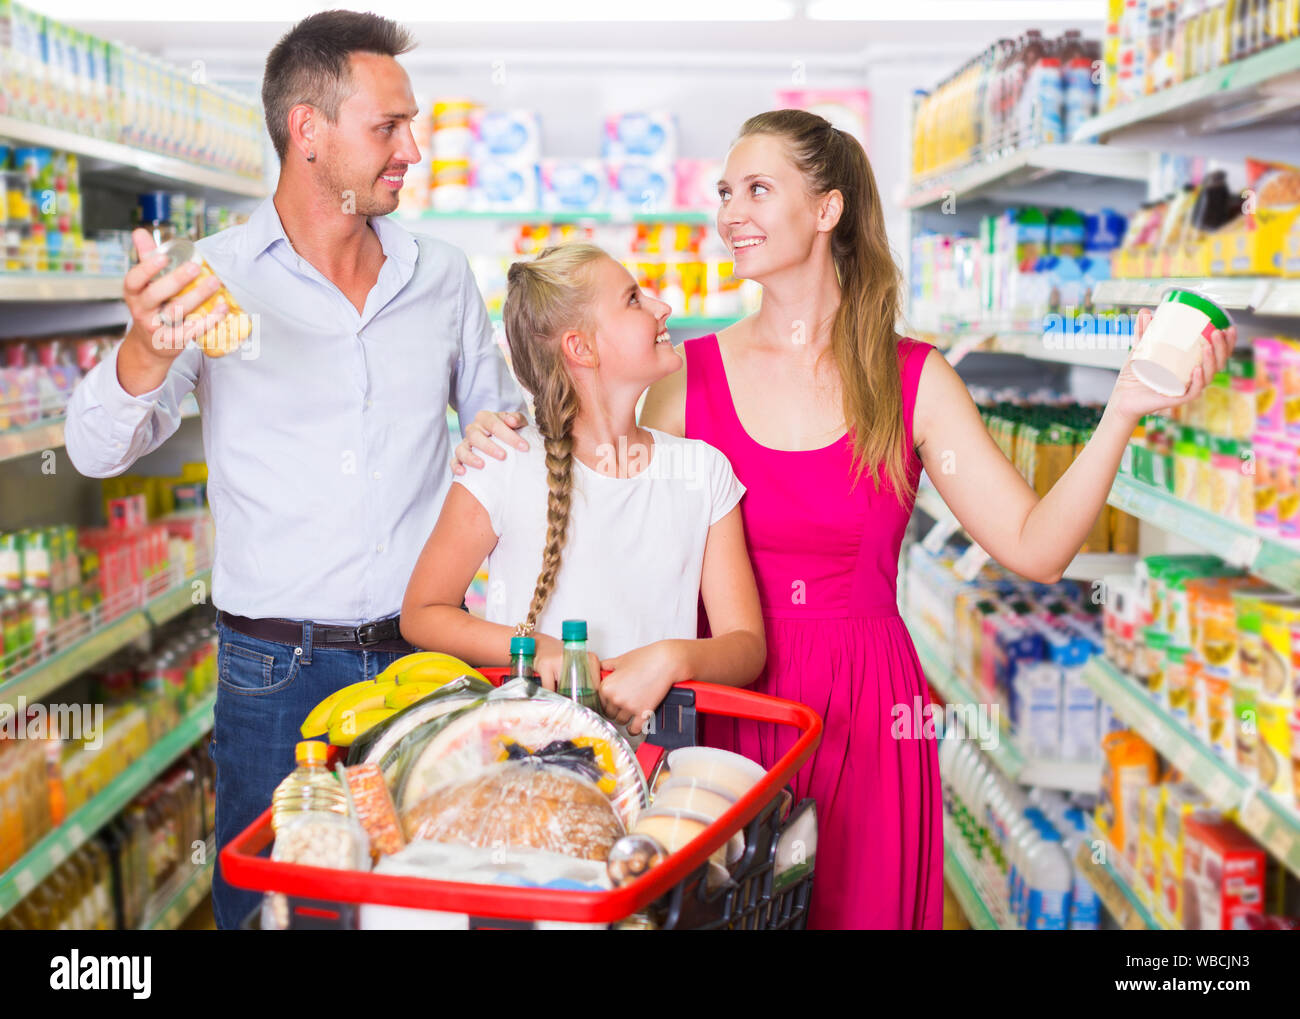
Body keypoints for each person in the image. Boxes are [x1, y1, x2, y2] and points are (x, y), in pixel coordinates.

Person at [452, 109, 1233, 929]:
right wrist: (503, 435)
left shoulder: (915, 381)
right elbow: (593, 493)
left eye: (757, 189)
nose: (729, 213)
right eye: (725, 192)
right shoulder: (686, 382)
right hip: (720, 710)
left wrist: (1122, 411)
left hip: (870, 719)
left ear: (827, 210)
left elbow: (1036, 549)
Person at [63, 10, 526, 929]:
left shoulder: (439, 274)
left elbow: (499, 424)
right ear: (307, 131)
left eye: (412, 123)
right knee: (273, 912)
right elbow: (92, 448)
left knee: (427, 899)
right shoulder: (214, 279)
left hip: (428, 656)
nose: (413, 148)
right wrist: (145, 356)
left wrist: (504, 433)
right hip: (276, 670)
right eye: (387, 126)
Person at [401, 243, 766, 730]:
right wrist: (535, 650)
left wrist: (673, 658)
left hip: (663, 760)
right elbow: (423, 612)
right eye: (634, 300)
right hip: (531, 754)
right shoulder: (502, 464)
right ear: (582, 348)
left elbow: (746, 645)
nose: (663, 307)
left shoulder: (703, 471)